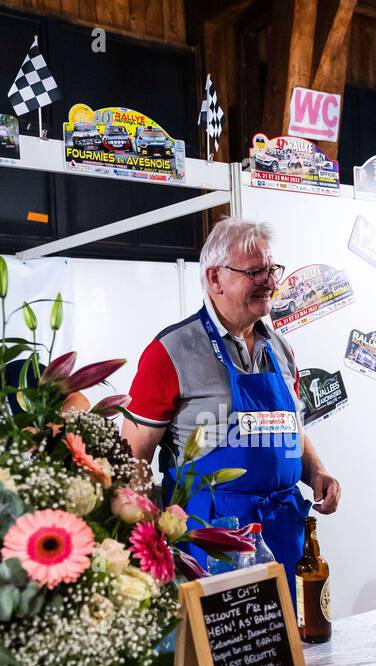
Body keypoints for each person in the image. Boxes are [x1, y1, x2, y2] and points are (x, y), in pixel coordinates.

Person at [121, 218, 341, 601]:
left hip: (284, 534)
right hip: (210, 546)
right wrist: (149, 544)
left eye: (271, 270)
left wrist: (316, 471)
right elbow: (133, 456)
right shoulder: (170, 352)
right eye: (255, 271)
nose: (270, 282)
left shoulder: (281, 349)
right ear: (215, 279)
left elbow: (288, 426)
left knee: (295, 650)